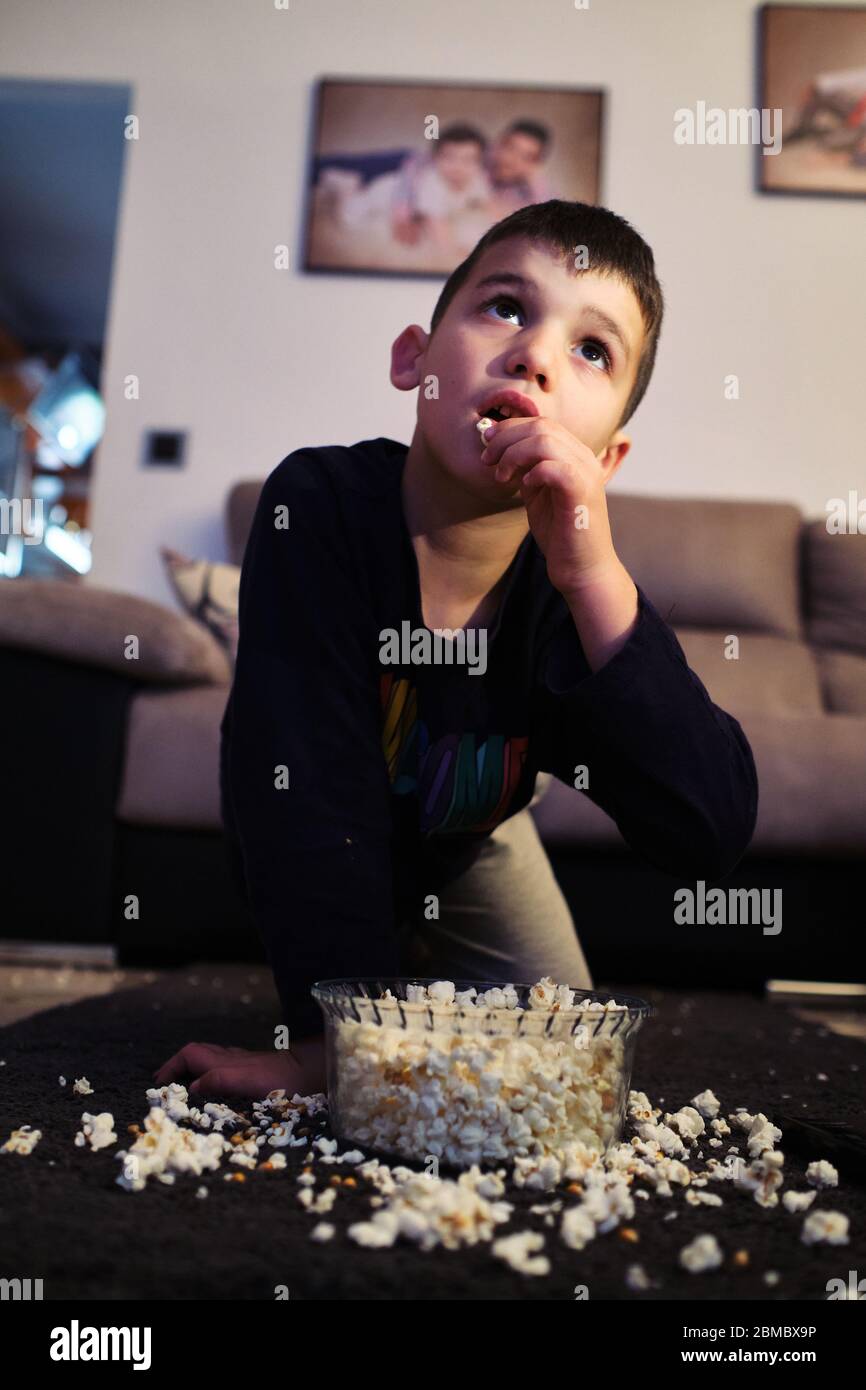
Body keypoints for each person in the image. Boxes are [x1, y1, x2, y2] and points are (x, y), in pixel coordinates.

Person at [153, 200, 758, 1102]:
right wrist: (330, 1046)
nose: (537, 355)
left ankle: (415, 958)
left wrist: (593, 573)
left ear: (610, 458)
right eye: (506, 308)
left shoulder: (568, 592)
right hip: (323, 823)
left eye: (593, 351)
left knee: (562, 1061)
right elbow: (304, 790)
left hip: (473, 843)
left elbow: (708, 829)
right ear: (415, 361)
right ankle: (377, 979)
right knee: (370, 1033)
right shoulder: (317, 505)